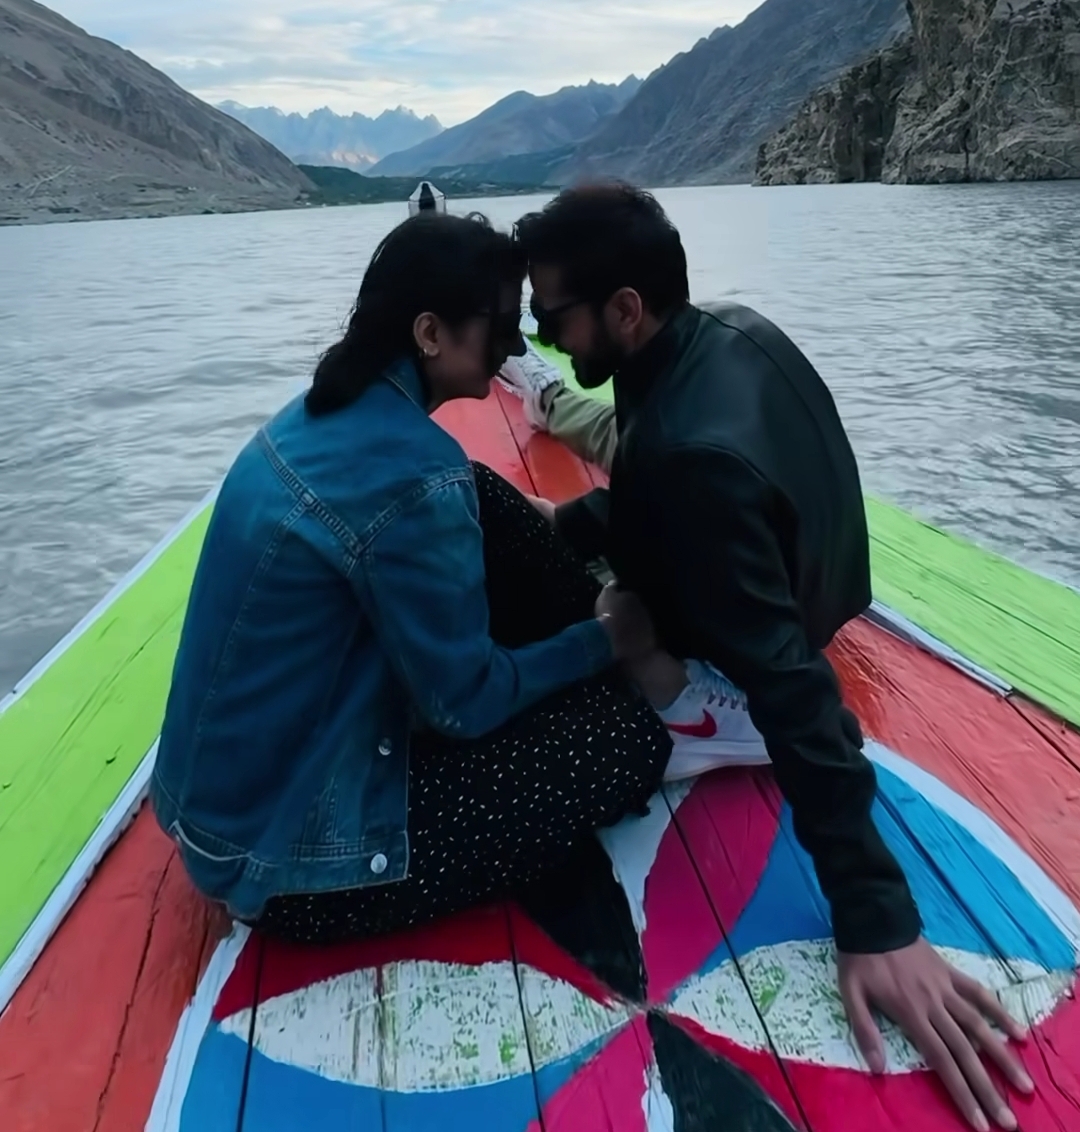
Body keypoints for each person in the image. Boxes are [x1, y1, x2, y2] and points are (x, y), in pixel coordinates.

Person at [509, 182, 1033, 1132]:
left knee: (596, 637)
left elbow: (799, 690)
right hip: (820, 571)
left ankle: (713, 718)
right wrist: (577, 519)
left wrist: (879, 917)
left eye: (554, 320)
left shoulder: (683, 454)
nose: (550, 341)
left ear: (625, 309)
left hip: (774, 640)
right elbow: (655, 495)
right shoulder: (725, 330)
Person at [151, 211, 670, 944]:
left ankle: (606, 628)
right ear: (429, 334)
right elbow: (463, 703)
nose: (515, 346)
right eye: (499, 325)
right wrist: (603, 642)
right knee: (624, 741)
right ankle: (626, 639)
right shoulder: (415, 481)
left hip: (215, 812)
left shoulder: (311, 418)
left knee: (479, 492)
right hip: (284, 863)